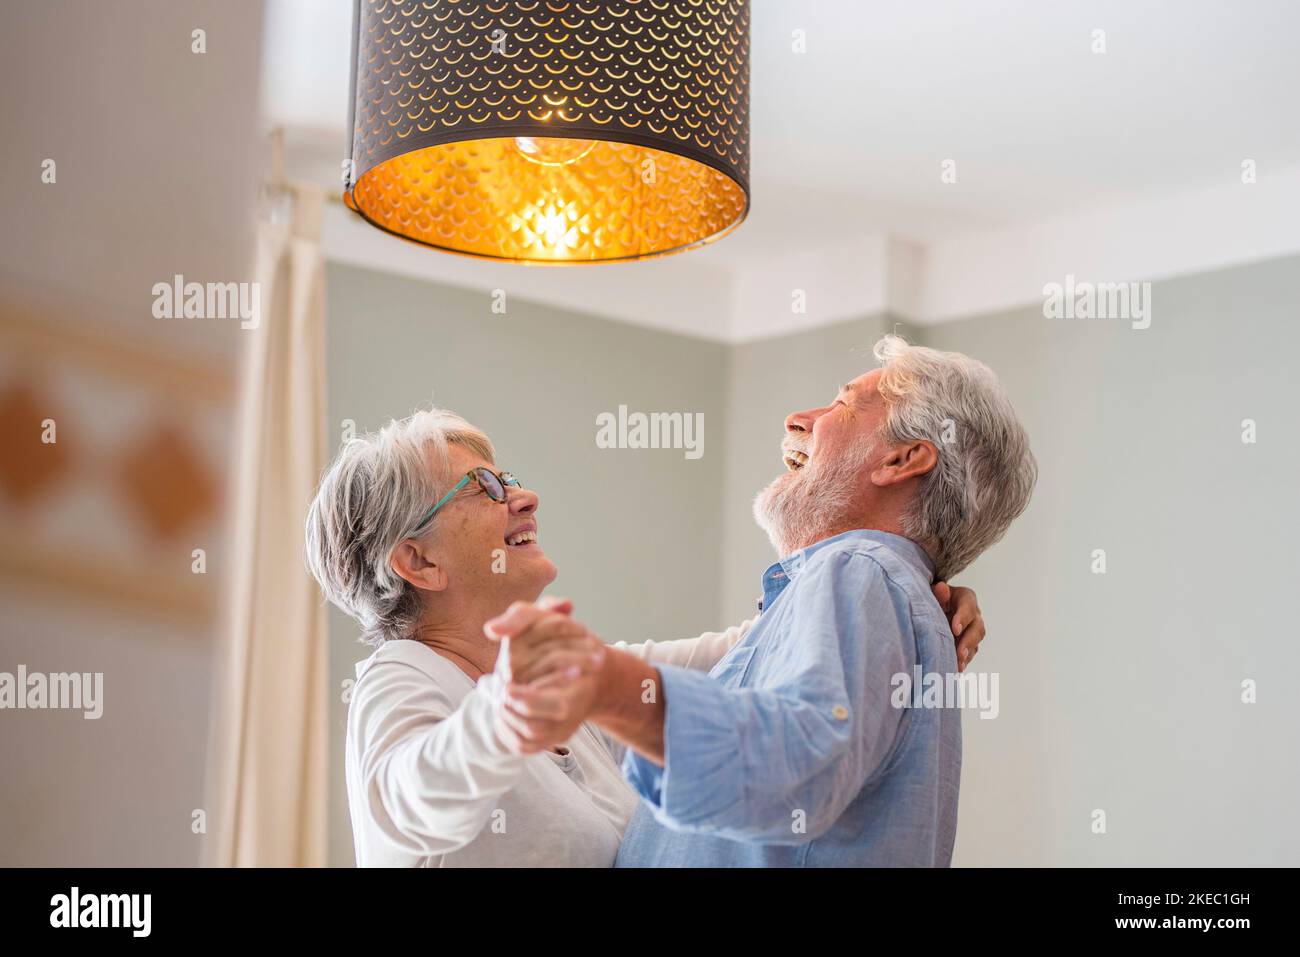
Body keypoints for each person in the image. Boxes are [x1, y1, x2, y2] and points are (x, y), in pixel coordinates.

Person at [304, 397, 987, 866]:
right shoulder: (402, 677)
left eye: (507, 475)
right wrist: (502, 713)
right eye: (483, 485)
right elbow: (406, 801)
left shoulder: (581, 692)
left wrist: (913, 602)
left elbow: (754, 646)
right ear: (417, 560)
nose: (524, 493)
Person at [487, 335, 1036, 866]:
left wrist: (602, 684)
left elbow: (792, 773)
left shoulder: (858, 570)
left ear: (900, 461)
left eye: (841, 404)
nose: (798, 418)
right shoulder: (878, 587)